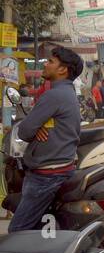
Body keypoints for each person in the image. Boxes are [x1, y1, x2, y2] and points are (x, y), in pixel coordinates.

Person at [8, 47, 84, 232]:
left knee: (17, 231)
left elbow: (25, 131)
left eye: (50, 61)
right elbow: (34, 127)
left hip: (46, 176)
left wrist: (34, 127)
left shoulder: (54, 95)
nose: (46, 64)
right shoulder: (67, 92)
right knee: (39, 227)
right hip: (61, 168)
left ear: (62, 70)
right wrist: (38, 126)